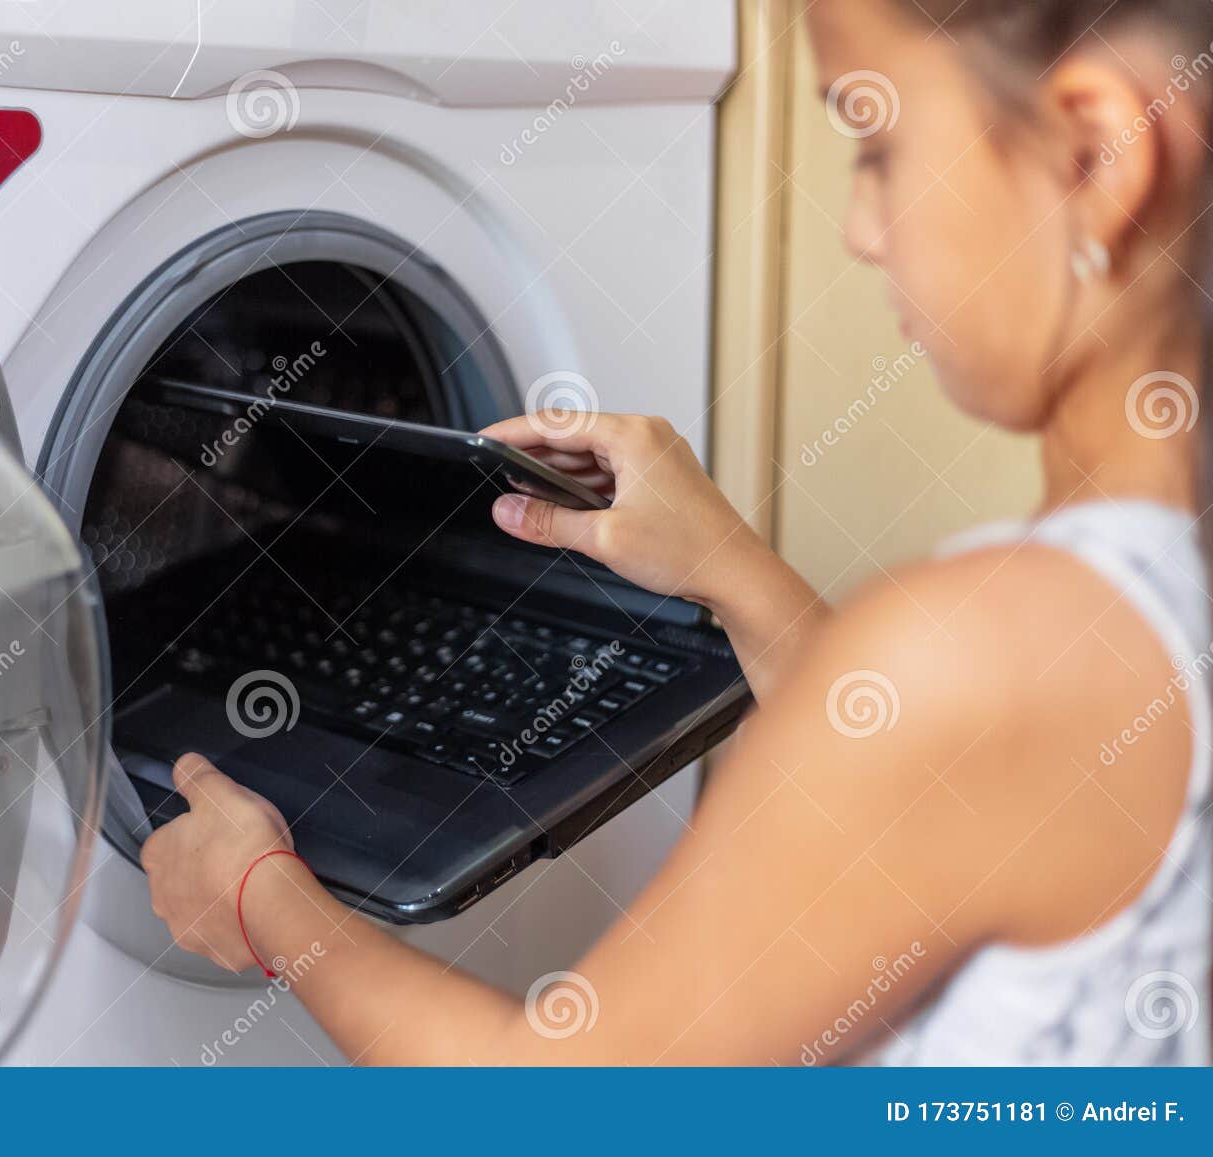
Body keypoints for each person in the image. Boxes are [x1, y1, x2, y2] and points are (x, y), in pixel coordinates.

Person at [139, 0, 1213, 1064]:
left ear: (1094, 152)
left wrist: (260, 898)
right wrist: (727, 566)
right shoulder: (1130, 603)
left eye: (878, 142)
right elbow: (951, 787)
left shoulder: (995, 653)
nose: (860, 227)